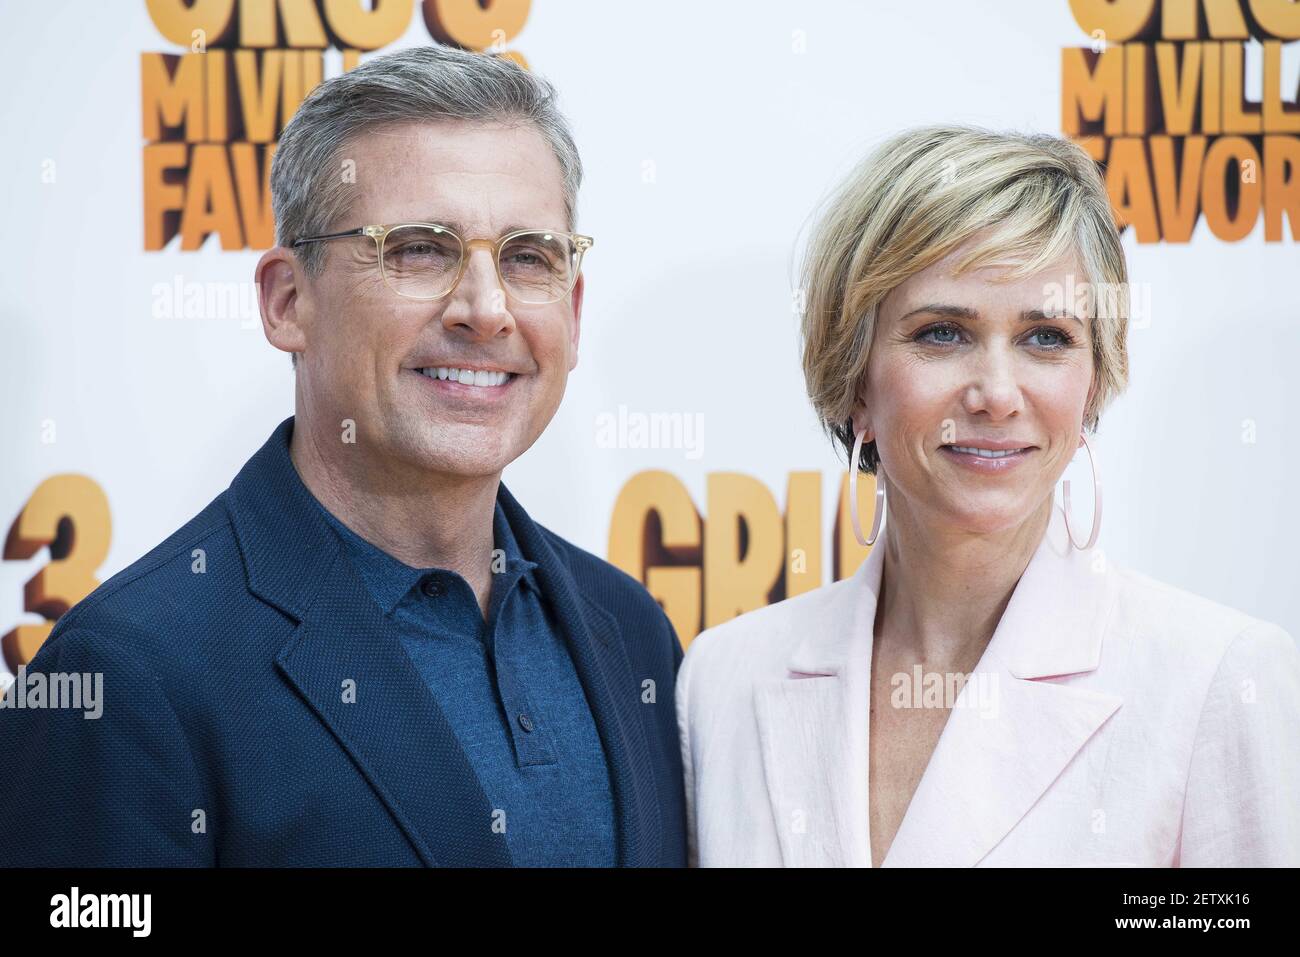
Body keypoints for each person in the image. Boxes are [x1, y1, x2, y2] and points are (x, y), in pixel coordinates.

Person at [0, 46, 686, 867]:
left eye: (529, 257)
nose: (486, 308)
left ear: (572, 311)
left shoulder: (634, 632)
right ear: (289, 302)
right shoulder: (124, 673)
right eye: (420, 249)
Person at [675, 125, 1300, 867]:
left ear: (1092, 382)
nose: (998, 394)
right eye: (942, 333)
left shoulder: (1217, 680)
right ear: (856, 387)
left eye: (1046, 338)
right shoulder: (723, 681)